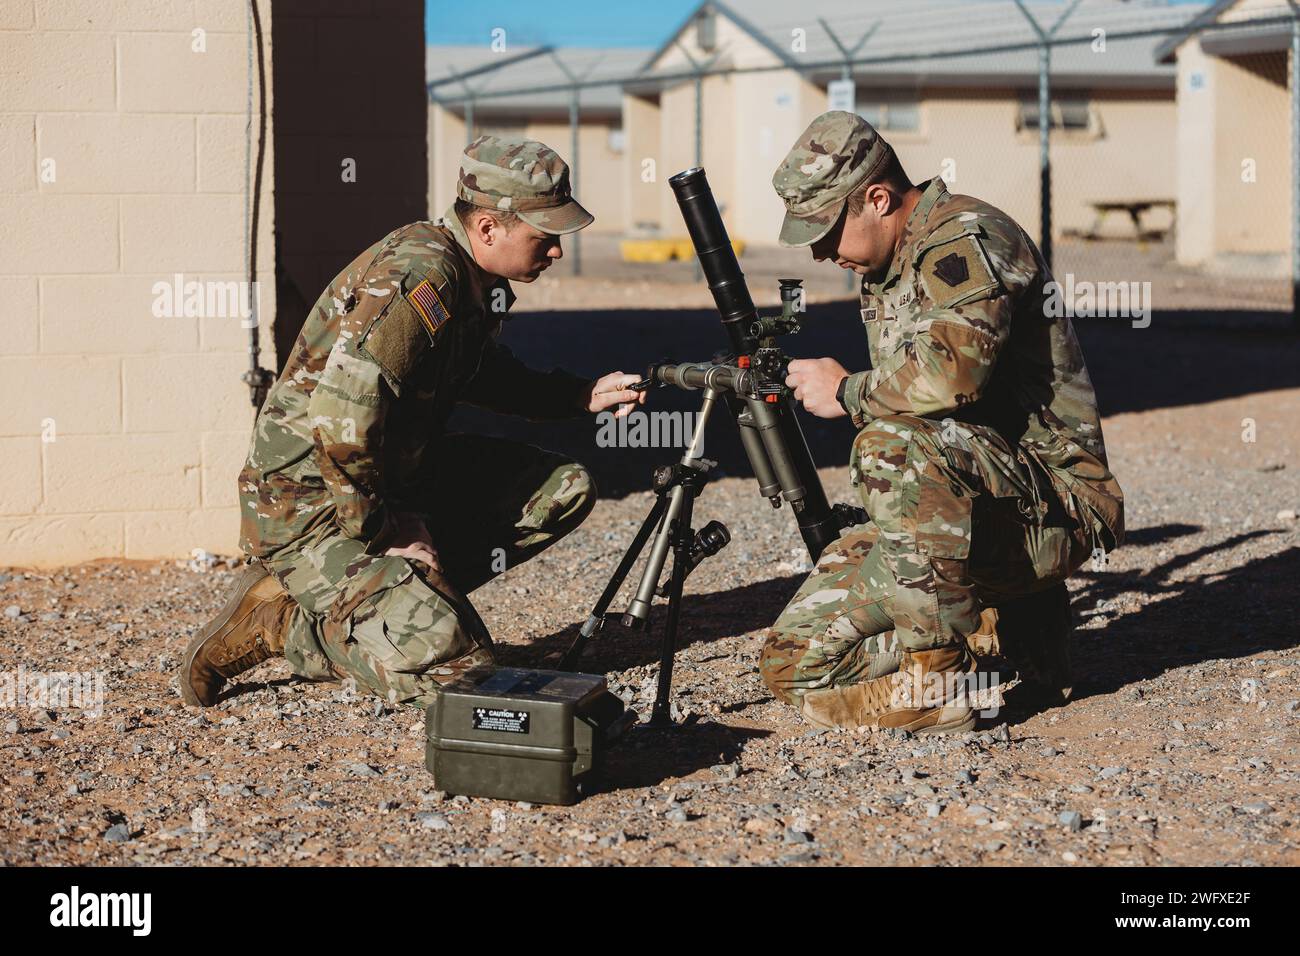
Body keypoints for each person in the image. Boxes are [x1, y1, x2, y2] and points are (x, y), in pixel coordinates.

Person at [180, 135, 646, 709]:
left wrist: (576, 395)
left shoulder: (470, 275)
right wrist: (388, 529)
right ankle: (284, 625)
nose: (555, 252)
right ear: (489, 229)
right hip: (312, 502)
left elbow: (478, 372)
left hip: (390, 476)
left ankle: (398, 598)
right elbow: (340, 420)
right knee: (462, 678)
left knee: (563, 489)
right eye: (544, 238)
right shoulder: (421, 276)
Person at [760, 111, 1124, 734]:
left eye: (825, 230)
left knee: (891, 446)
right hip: (971, 508)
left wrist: (847, 390)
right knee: (792, 666)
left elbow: (954, 376)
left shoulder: (966, 238)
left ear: (877, 198)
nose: (820, 251)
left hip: (1055, 505)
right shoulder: (889, 263)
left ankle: (941, 683)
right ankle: (998, 637)